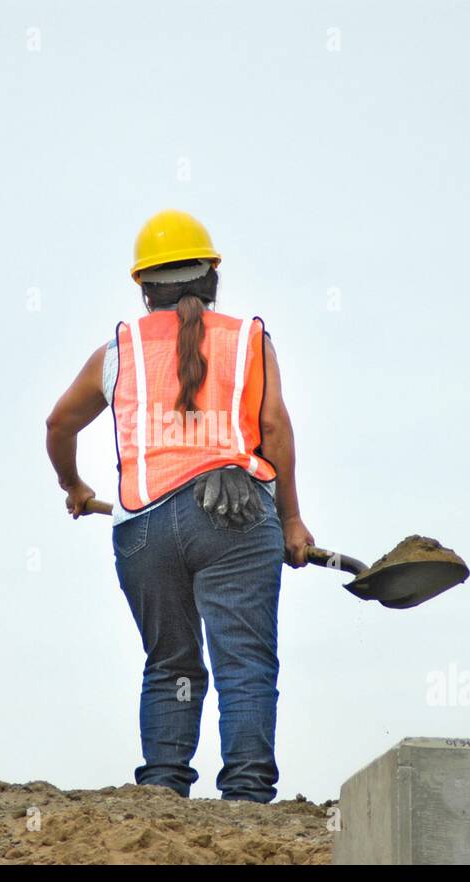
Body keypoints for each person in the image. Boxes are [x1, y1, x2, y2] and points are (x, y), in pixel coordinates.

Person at [45, 210, 315, 803]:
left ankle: (162, 790)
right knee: (243, 662)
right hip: (235, 519)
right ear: (213, 278)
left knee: (173, 664)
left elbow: (58, 424)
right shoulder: (249, 340)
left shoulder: (118, 350)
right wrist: (291, 520)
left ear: (143, 289)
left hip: (143, 526)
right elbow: (274, 428)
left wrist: (74, 485)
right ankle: (245, 796)